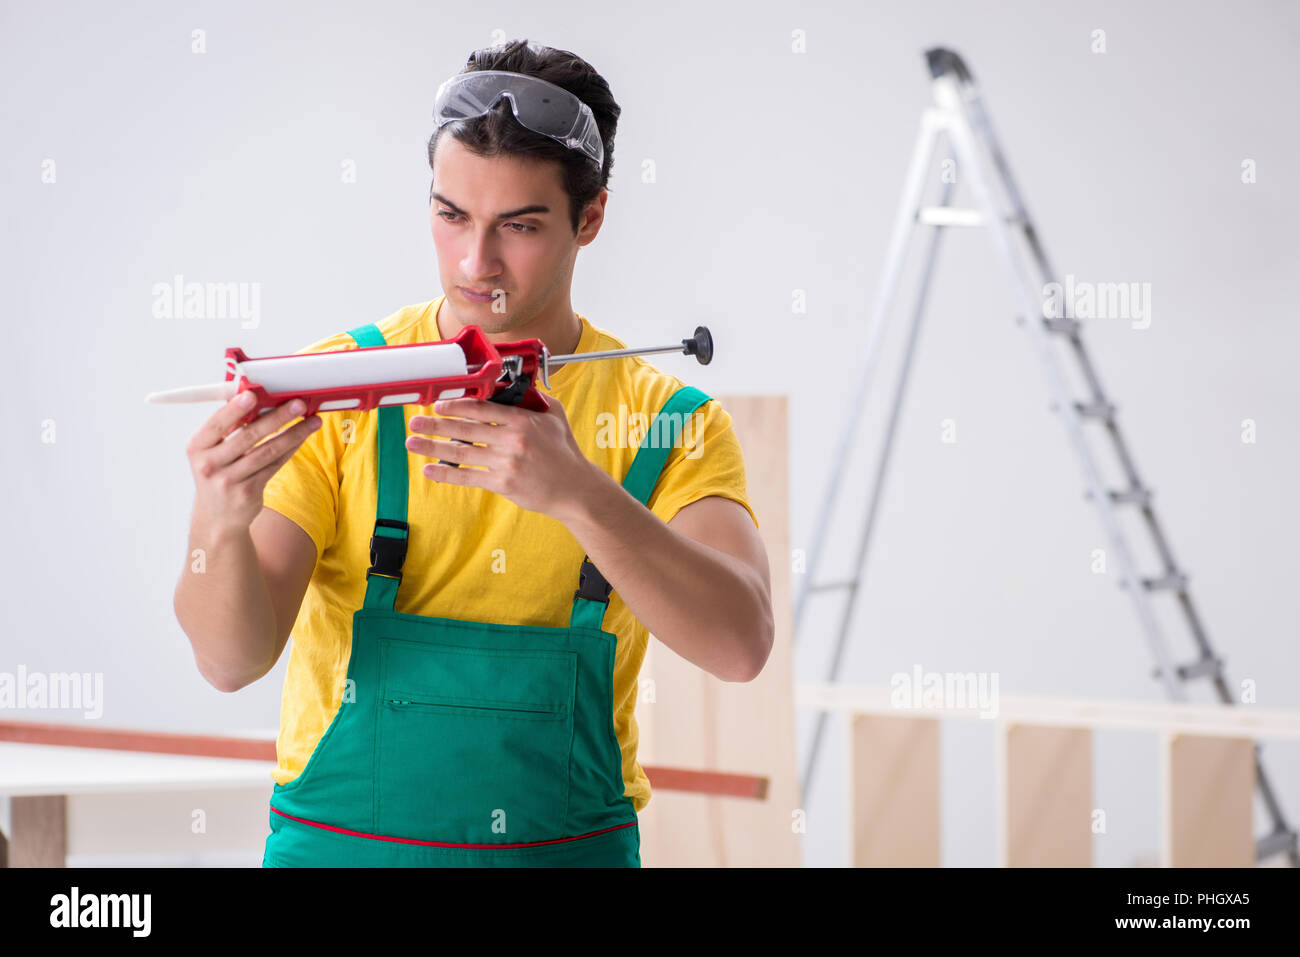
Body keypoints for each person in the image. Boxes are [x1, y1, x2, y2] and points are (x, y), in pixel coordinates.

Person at [173, 38, 774, 868]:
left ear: (590, 217)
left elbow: (740, 644)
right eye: (451, 214)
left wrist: (578, 494)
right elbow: (229, 661)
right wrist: (218, 518)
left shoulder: (666, 418)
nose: (474, 263)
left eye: (518, 227)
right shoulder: (341, 393)